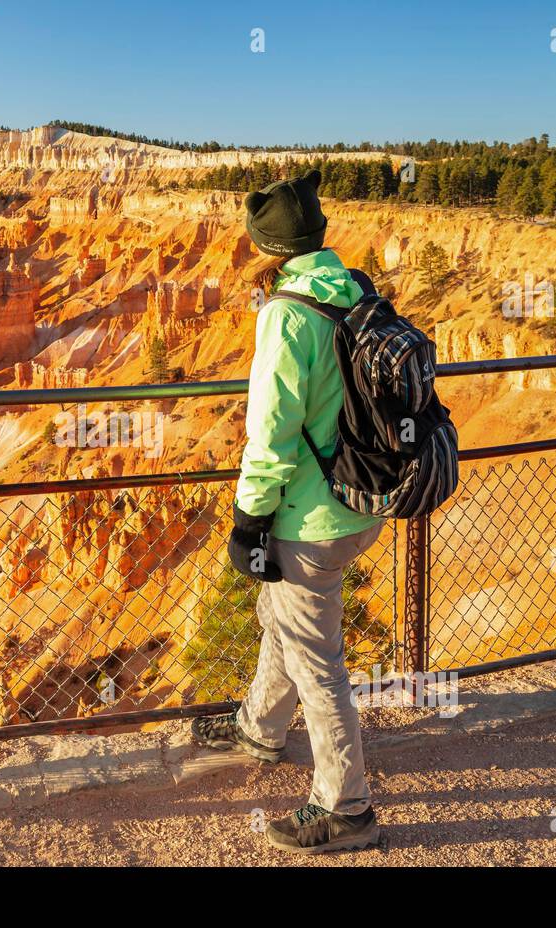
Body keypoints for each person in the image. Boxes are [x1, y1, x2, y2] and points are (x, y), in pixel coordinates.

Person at [192, 169, 385, 854]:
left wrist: (247, 521)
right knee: (285, 616)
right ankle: (260, 730)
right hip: (366, 500)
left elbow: (271, 434)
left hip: (311, 517)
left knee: (316, 659)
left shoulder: (287, 315)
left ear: (268, 249)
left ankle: (347, 807)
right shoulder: (358, 288)